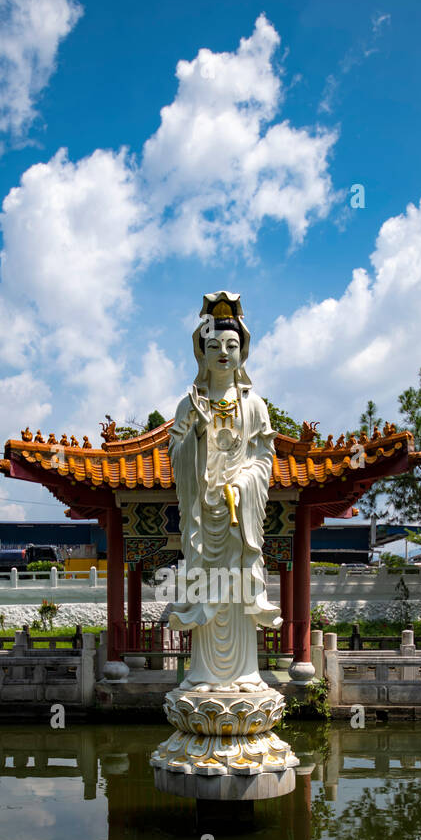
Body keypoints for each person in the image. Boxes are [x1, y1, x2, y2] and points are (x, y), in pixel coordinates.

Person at [168, 292, 281, 691]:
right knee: (206, 586)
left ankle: (245, 673)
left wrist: (244, 482)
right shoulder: (188, 404)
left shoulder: (255, 406)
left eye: (231, 346)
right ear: (201, 352)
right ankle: (203, 673)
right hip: (202, 515)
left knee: (237, 592)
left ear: (243, 352)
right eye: (213, 345)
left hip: (239, 513)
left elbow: (265, 458)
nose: (222, 353)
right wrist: (197, 431)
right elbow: (175, 457)